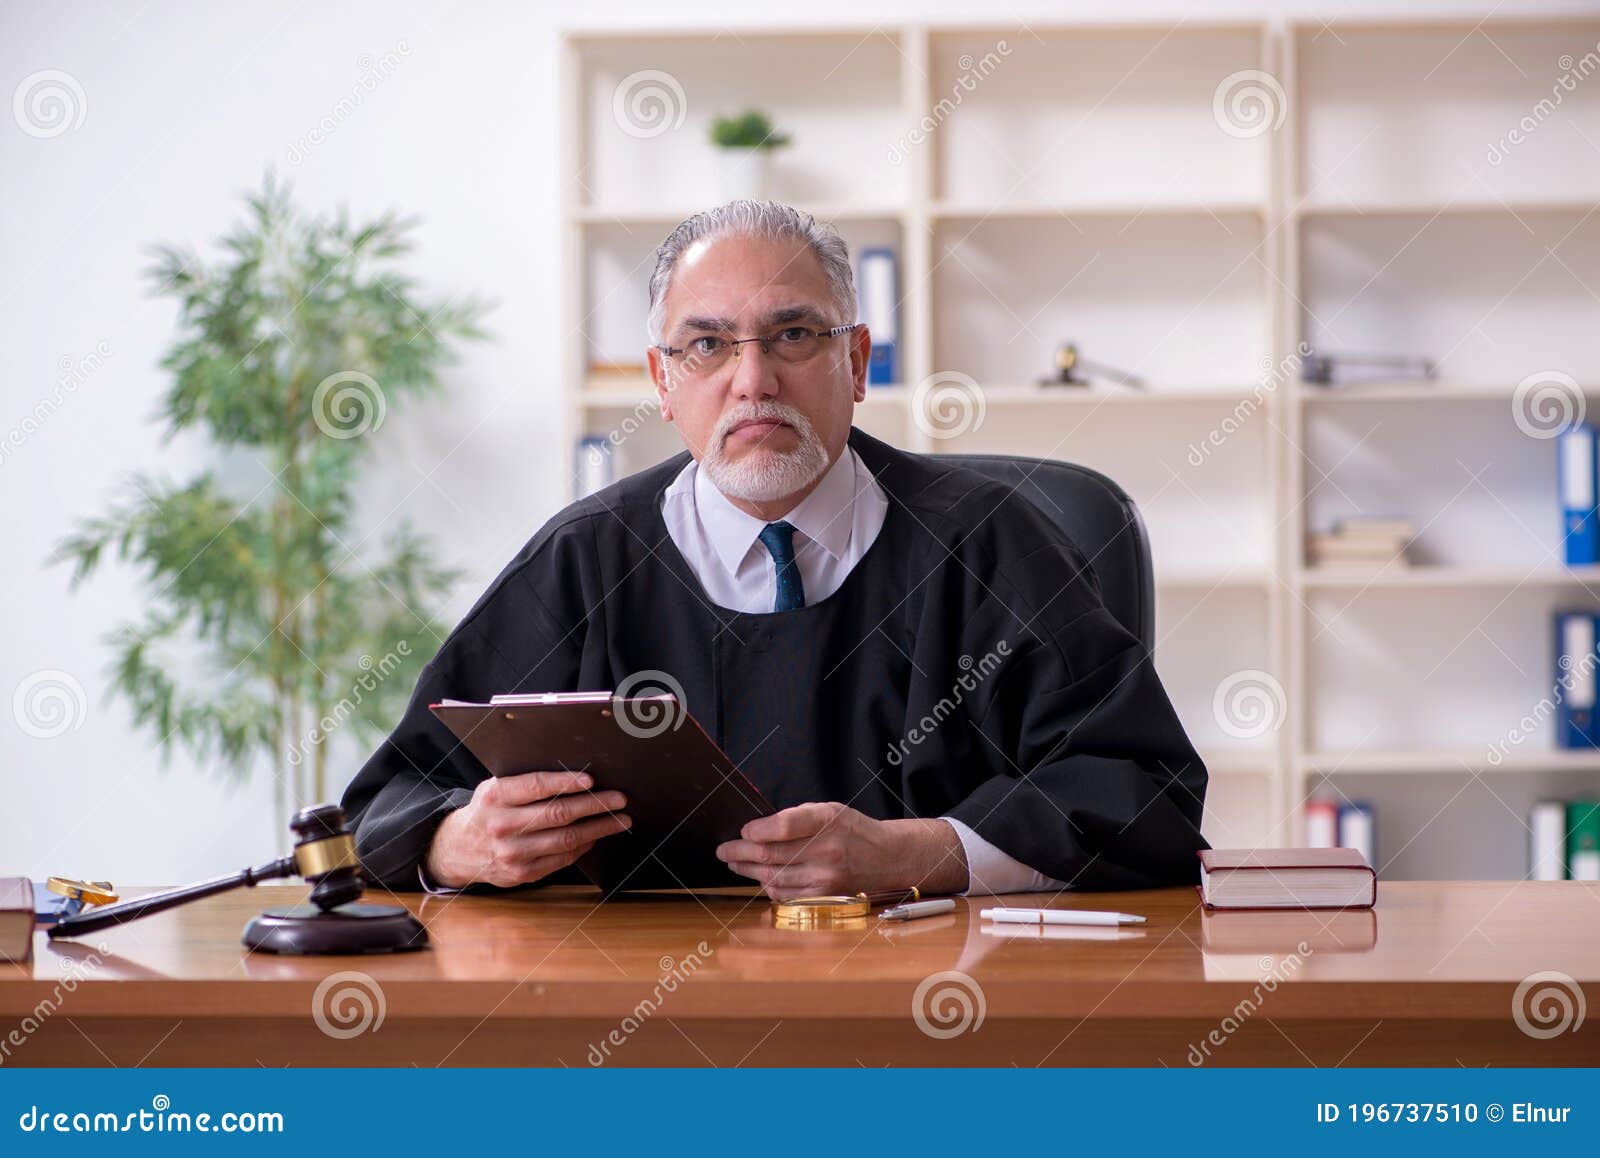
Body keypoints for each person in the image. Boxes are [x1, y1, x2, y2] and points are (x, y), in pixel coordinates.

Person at [340, 200, 1207, 901]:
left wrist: (921, 854)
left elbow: (1149, 797)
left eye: (793, 336)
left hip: (940, 1022)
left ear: (859, 363)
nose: (752, 380)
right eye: (709, 344)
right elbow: (389, 804)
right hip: (638, 1038)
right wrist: (461, 842)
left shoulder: (990, 543)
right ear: (664, 382)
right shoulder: (583, 562)